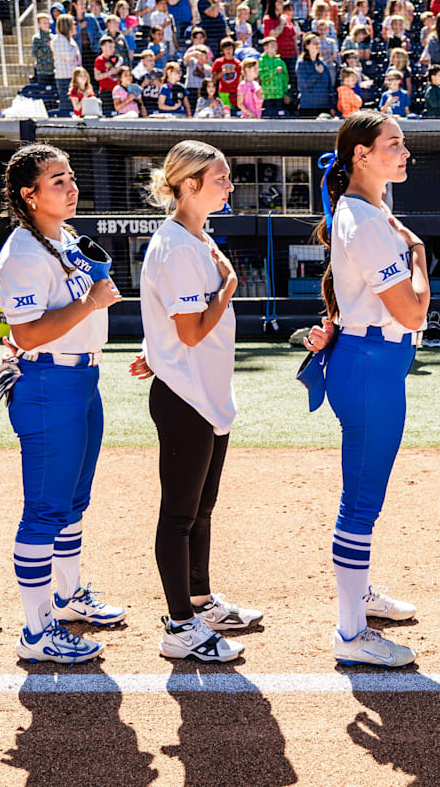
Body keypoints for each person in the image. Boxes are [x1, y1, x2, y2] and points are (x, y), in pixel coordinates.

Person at [301, 110, 429, 667]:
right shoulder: (366, 218)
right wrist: (421, 259)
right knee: (360, 503)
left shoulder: (367, 211)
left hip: (371, 357)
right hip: (372, 361)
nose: (404, 153)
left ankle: (361, 596)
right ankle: (351, 633)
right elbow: (411, 309)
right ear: (361, 154)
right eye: (393, 144)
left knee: (363, 499)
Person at [0, 144, 125, 664]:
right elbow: (24, 333)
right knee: (45, 508)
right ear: (29, 195)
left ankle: (67, 599)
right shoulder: (23, 250)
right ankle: (36, 630)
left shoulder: (63, 238)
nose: (70, 187)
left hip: (81, 378)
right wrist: (92, 300)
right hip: (49, 382)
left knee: (72, 503)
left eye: (70, 177)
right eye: (56, 181)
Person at [138, 140, 263, 663]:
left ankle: (199, 600)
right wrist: (229, 285)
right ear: (189, 185)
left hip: (204, 394)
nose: (229, 186)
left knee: (201, 509)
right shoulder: (176, 245)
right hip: (186, 398)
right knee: (180, 514)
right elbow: (190, 332)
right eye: (221, 179)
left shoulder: (193, 236)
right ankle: (179, 626)